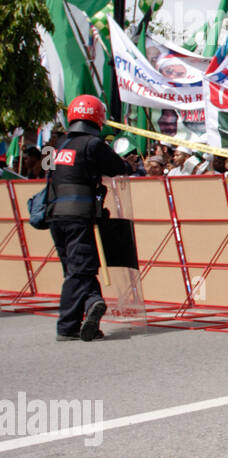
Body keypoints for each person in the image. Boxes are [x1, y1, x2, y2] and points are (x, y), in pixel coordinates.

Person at [46, 95, 130, 341]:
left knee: (75, 269)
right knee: (81, 270)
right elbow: (118, 167)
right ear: (98, 118)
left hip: (54, 215)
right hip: (79, 216)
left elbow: (48, 173)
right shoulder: (93, 144)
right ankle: (67, 326)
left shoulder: (55, 145)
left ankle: (93, 302)